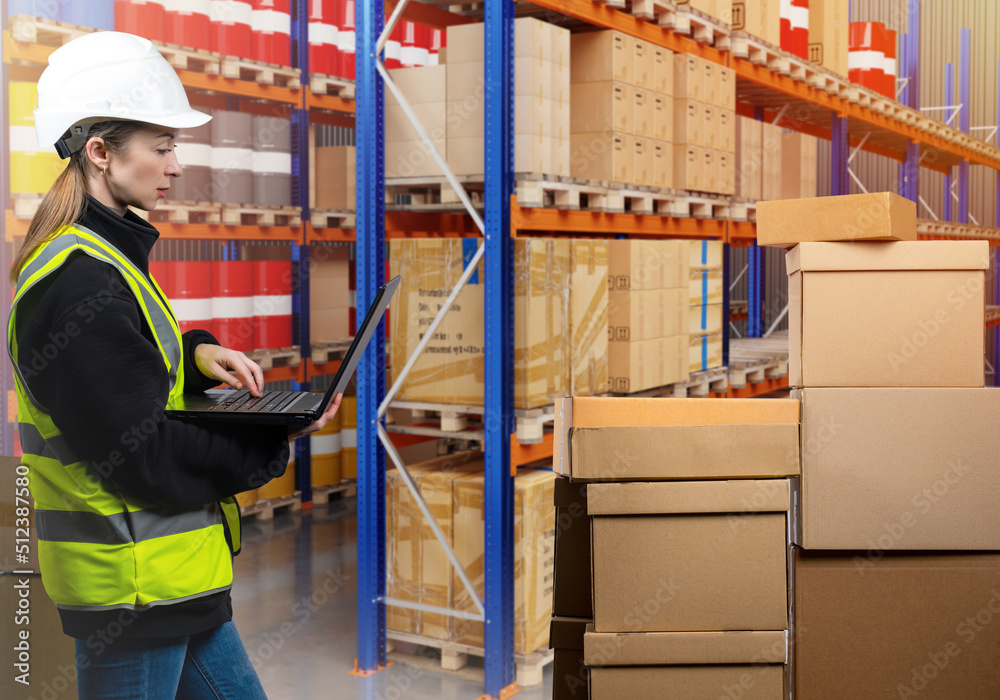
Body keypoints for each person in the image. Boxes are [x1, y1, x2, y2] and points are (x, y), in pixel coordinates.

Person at [7, 31, 340, 699]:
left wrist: (195, 355)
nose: (177, 165)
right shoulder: (77, 282)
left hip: (171, 582)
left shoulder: (102, 260)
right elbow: (143, 454)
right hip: (131, 597)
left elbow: (124, 371)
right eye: (161, 147)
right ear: (101, 154)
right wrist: (272, 437)